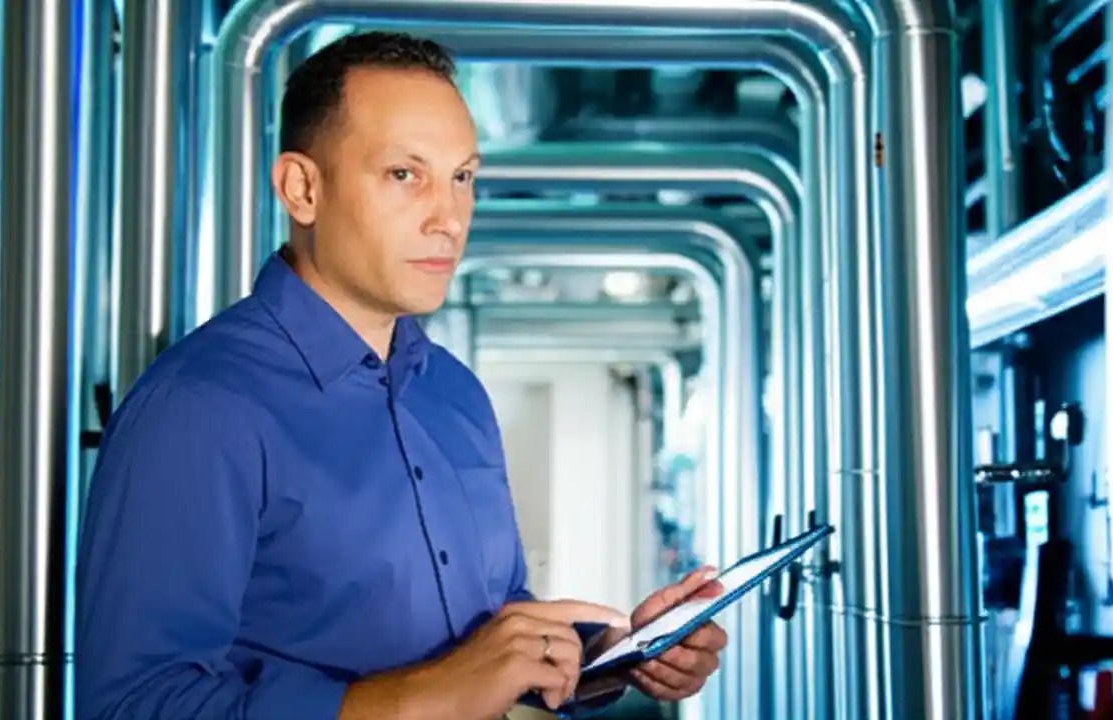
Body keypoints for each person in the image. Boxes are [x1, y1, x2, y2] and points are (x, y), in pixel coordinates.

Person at [74, 31, 727, 720]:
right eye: (404, 175)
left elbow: (488, 636)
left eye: (463, 177)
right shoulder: (201, 408)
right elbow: (134, 704)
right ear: (302, 188)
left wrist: (614, 654)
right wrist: (421, 700)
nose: (448, 218)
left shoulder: (453, 395)